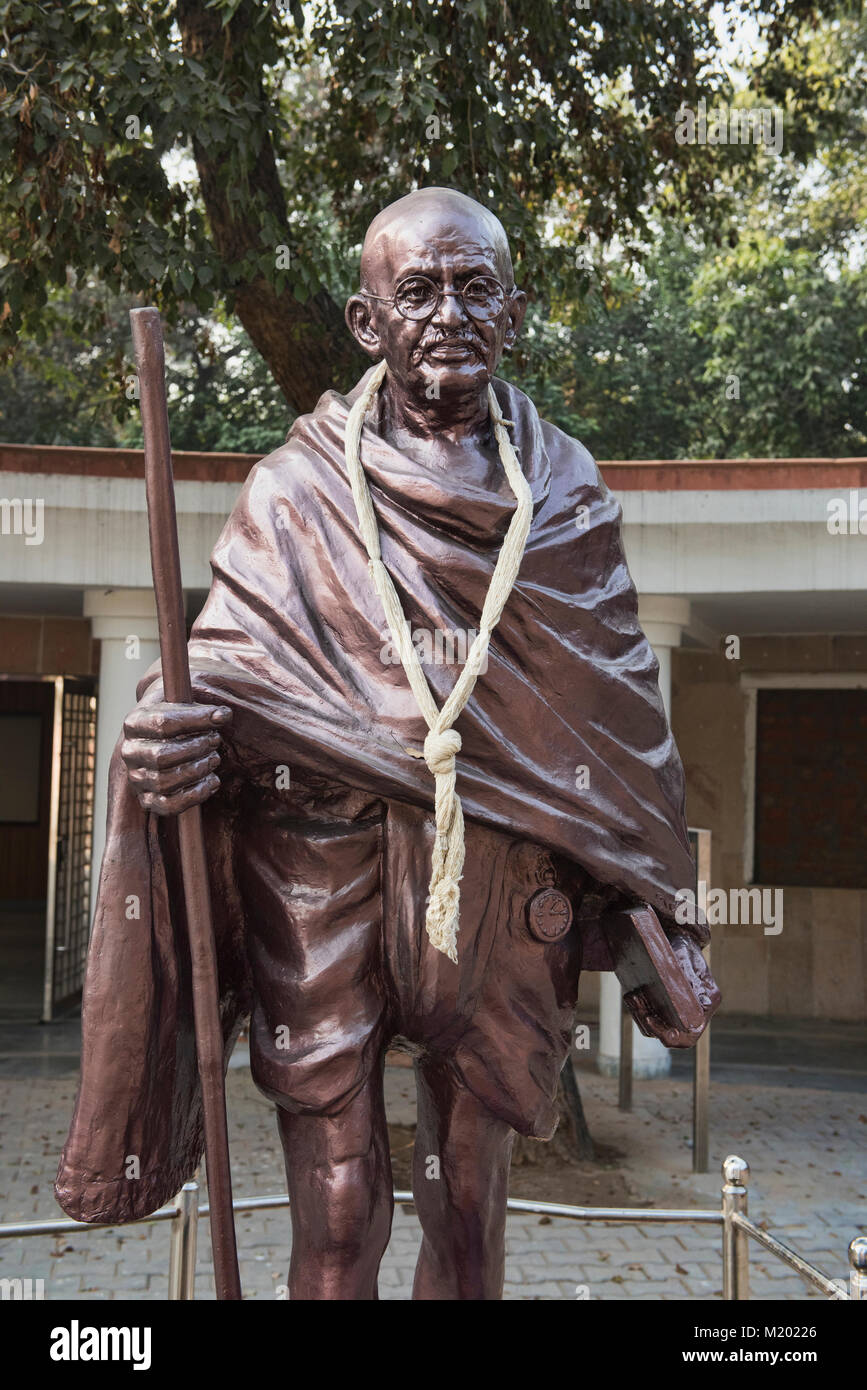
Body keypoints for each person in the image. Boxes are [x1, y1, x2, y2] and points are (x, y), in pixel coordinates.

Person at [57, 187, 719, 1300]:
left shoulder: (562, 495)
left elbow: (618, 728)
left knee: (467, 1202)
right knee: (341, 1209)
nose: (448, 312)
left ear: (513, 311)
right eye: (417, 290)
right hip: (321, 869)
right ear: (369, 322)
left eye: (474, 288)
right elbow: (220, 684)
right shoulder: (296, 490)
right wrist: (164, 747)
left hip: (510, 879)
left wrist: (651, 890)